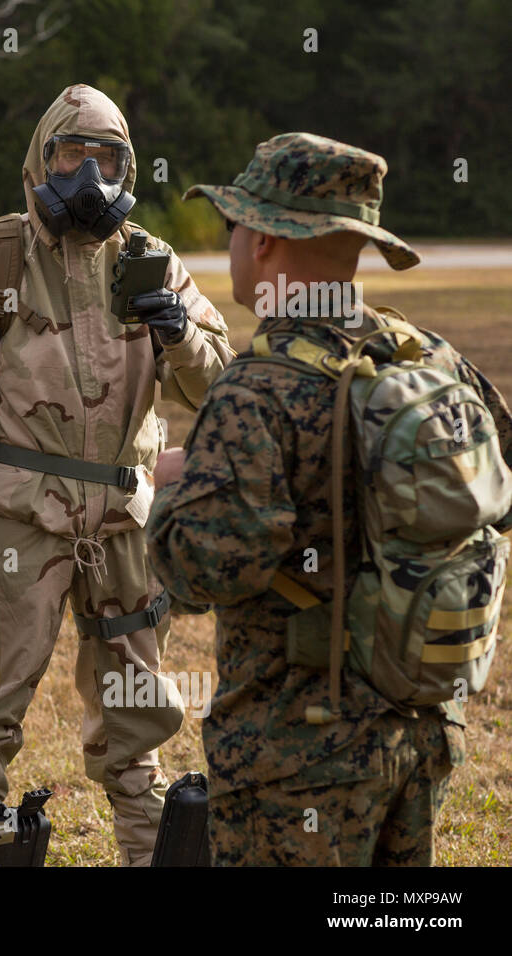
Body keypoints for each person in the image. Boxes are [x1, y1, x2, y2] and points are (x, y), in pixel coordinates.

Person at [147, 132, 512, 865]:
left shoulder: (256, 388)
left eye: (236, 225)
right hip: (423, 730)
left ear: (269, 243)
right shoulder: (427, 357)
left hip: (297, 752)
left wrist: (172, 492)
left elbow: (201, 571)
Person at [0, 83, 233, 865]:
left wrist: (180, 332)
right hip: (19, 525)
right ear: (39, 162)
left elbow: (218, 390)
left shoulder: (151, 262)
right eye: (70, 155)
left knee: (138, 730)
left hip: (124, 524)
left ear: (129, 167)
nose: (88, 177)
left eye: (107, 159)